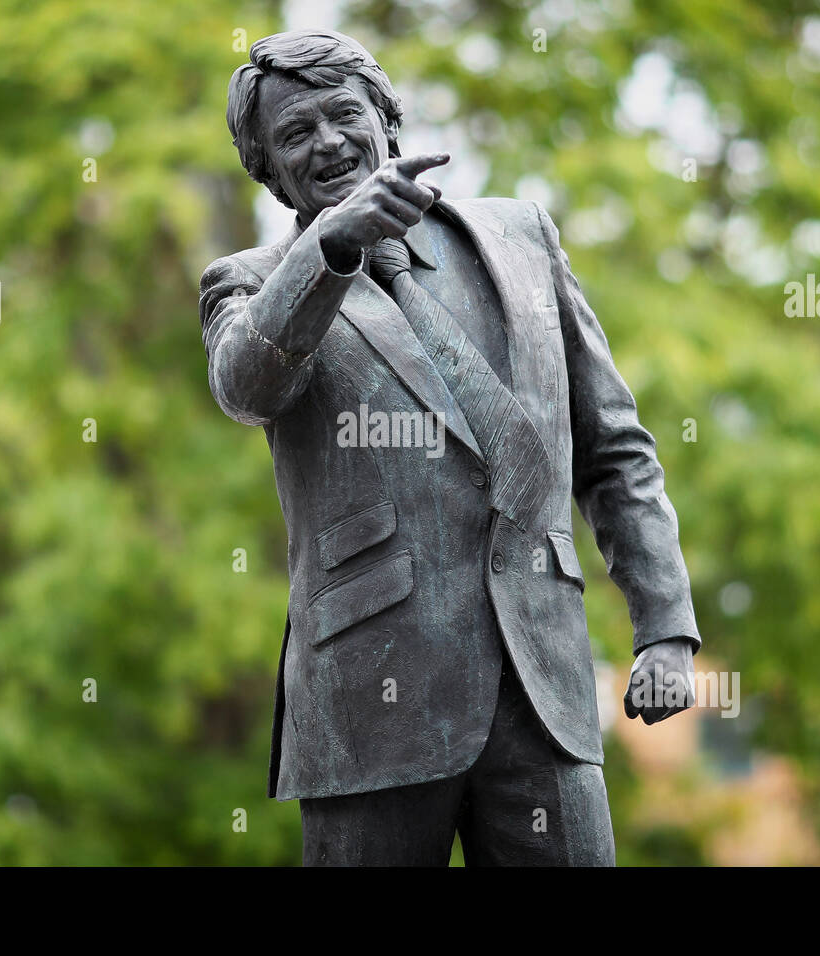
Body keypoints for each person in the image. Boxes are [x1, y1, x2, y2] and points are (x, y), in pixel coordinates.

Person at [199, 29, 701, 865]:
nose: (326, 143)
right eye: (294, 135)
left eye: (342, 115)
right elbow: (247, 387)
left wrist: (665, 629)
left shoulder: (521, 239)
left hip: (544, 693)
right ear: (269, 172)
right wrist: (333, 250)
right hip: (368, 706)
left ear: (386, 122)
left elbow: (613, 449)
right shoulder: (253, 281)